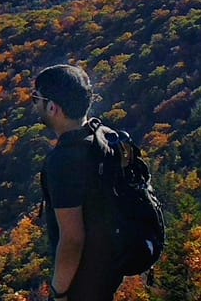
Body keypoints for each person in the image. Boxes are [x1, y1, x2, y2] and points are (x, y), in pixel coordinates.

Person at [34, 64, 120, 301]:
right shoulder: (103, 136)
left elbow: (72, 239)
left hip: (82, 283)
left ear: (52, 107)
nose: (34, 104)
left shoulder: (63, 161)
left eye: (36, 98)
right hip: (107, 271)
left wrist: (59, 293)